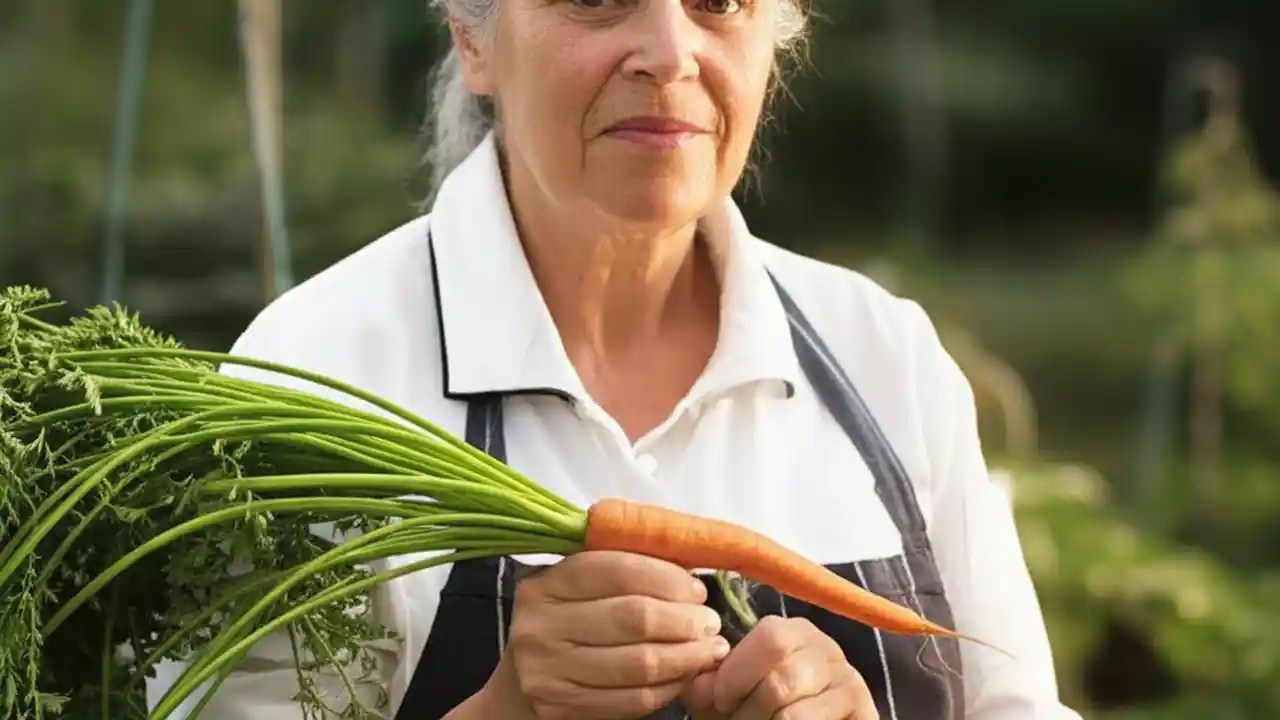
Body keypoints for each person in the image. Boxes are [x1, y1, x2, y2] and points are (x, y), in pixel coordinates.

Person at [147, 0, 1083, 717]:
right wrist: (499, 711)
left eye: (719, 0)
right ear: (475, 42)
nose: (671, 52)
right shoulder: (318, 374)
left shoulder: (885, 356)